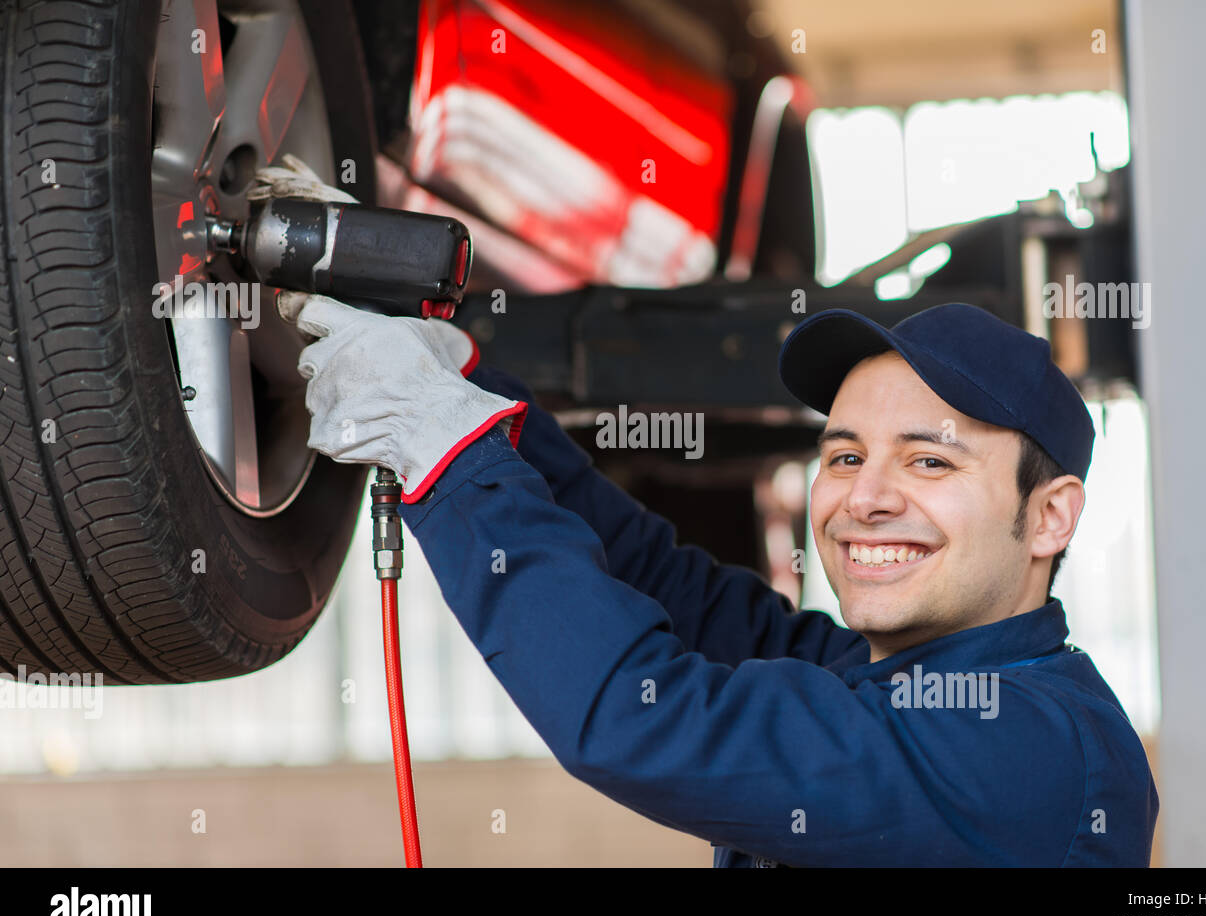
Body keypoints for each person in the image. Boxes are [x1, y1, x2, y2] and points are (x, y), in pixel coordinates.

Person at [283, 285, 1159, 868]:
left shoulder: (1031, 744)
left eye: (930, 463)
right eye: (845, 454)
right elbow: (669, 587)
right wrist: (467, 386)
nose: (865, 498)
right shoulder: (888, 682)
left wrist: (449, 455)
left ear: (1050, 516)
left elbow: (645, 718)